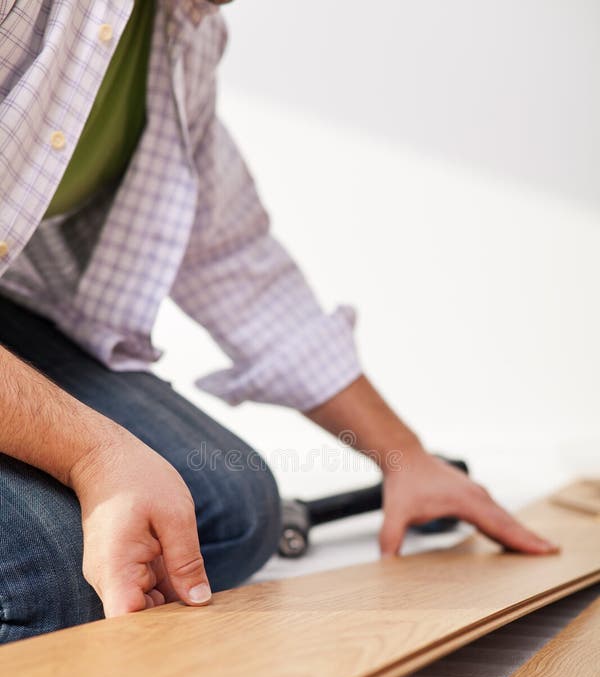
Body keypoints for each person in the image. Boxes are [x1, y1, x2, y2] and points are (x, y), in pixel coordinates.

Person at [0, 0, 557, 644]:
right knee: (41, 584)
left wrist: (405, 459)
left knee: (229, 510)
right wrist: (92, 454)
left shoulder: (179, 33)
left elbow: (229, 257)